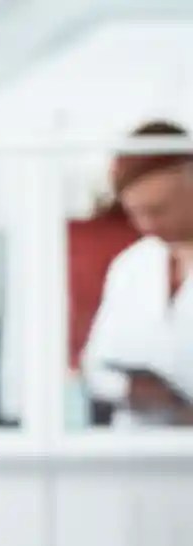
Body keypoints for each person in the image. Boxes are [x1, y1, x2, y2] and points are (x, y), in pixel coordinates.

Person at [81, 120, 193, 426]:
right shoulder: (132, 266)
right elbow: (95, 368)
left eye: (159, 210)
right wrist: (132, 389)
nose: (147, 225)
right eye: (136, 213)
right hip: (138, 452)